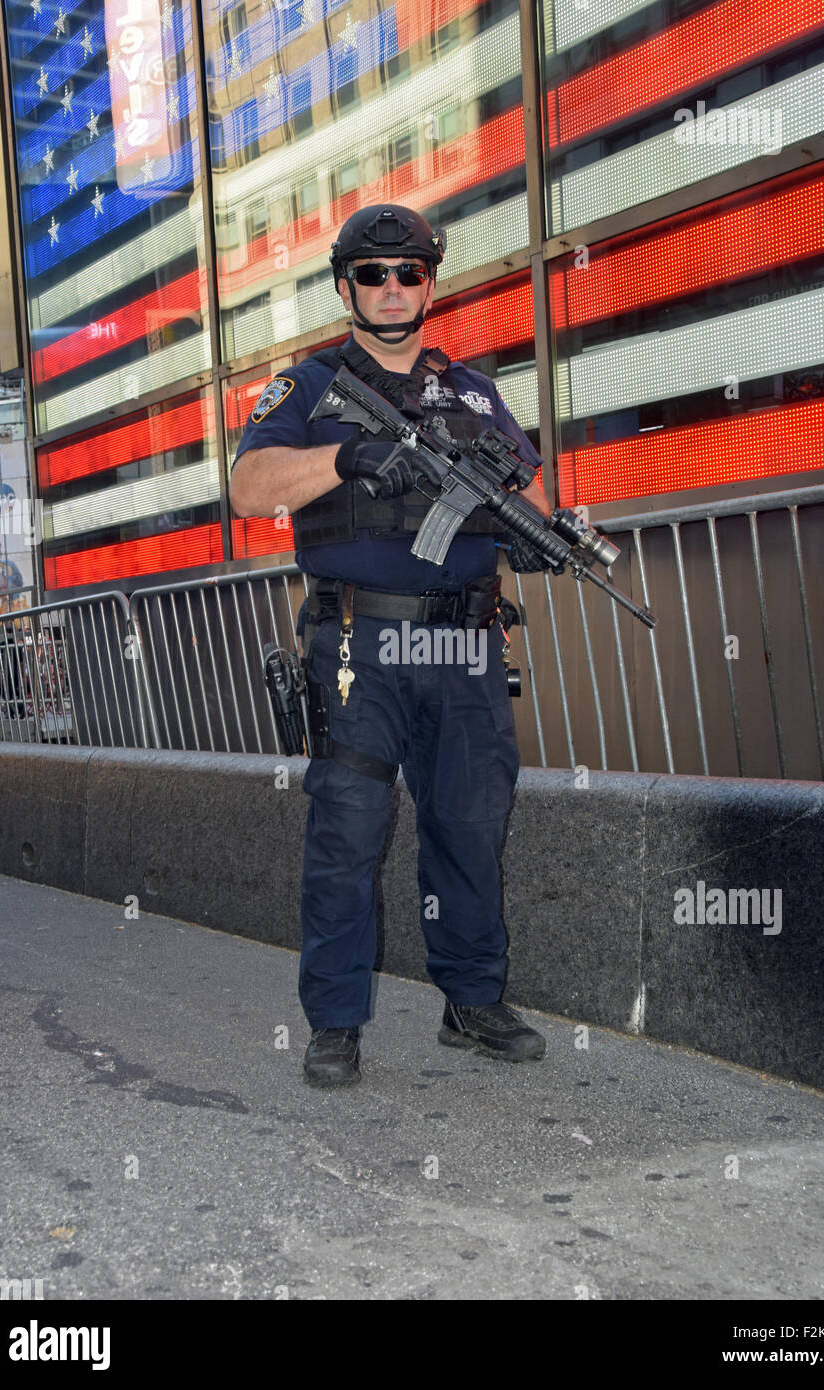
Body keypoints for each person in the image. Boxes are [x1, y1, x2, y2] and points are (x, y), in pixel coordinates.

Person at [229, 204, 556, 1086]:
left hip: (465, 646)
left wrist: (535, 537)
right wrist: (348, 459)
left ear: (429, 283)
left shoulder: (475, 392)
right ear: (346, 286)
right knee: (348, 832)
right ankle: (335, 1022)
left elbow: (524, 493)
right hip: (356, 648)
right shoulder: (306, 388)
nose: (391, 288)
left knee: (470, 824)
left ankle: (472, 999)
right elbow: (249, 487)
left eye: (407, 271)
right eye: (372, 274)